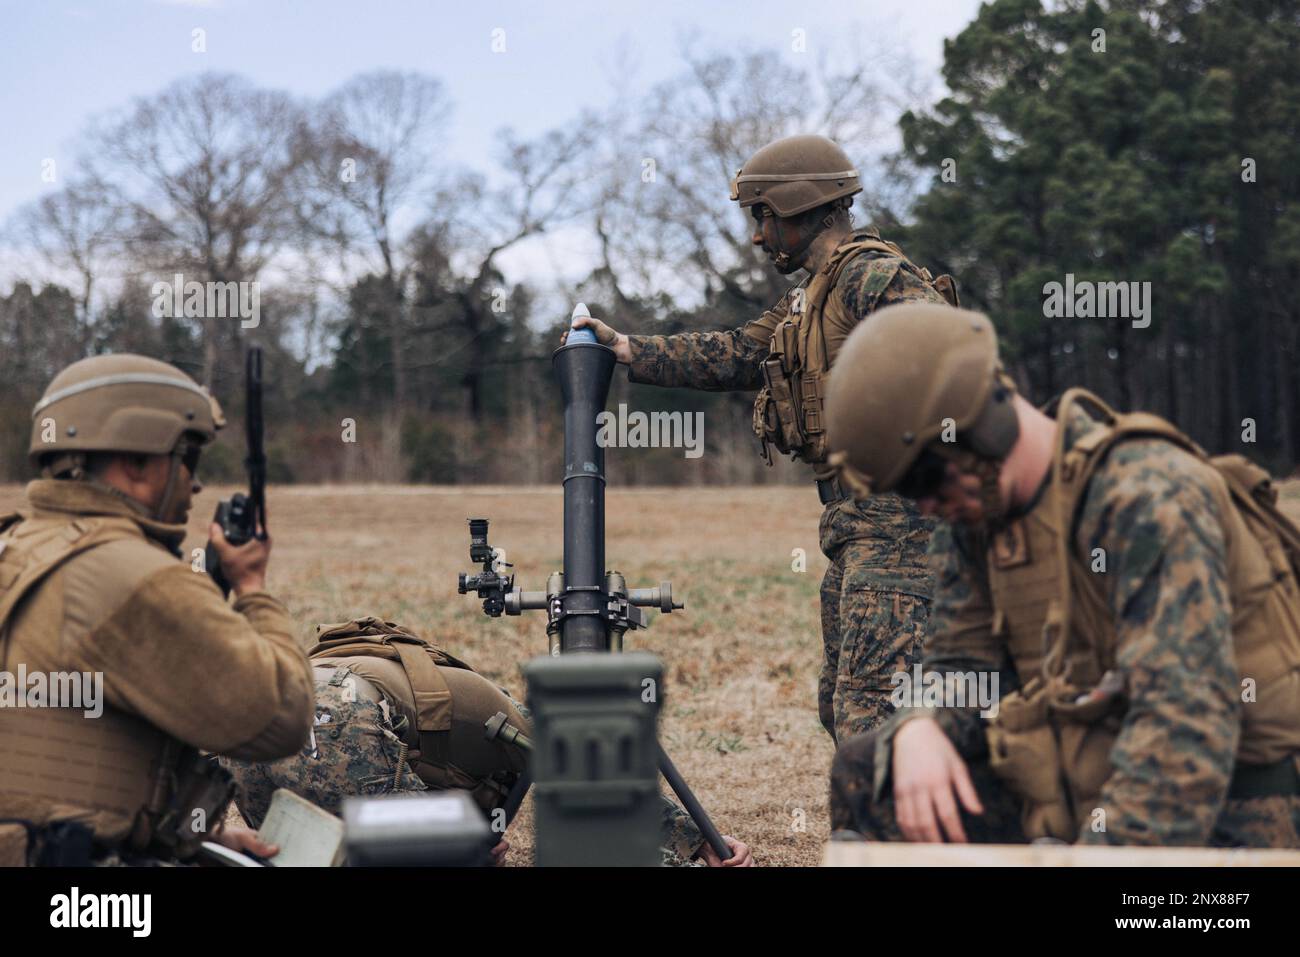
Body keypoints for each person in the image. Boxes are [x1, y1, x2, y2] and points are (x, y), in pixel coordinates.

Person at [823, 302, 1300, 847]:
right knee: (869, 775)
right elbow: (962, 662)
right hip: (1093, 764)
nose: (926, 506)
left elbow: (1184, 732)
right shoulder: (978, 519)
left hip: (1240, 801)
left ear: (986, 425)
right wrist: (921, 722)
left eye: (928, 479)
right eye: (907, 491)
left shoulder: (1145, 495)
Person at [562, 134, 958, 743]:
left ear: (800, 206)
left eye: (763, 216)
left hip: (903, 526)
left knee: (872, 712)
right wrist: (628, 349)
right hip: (857, 526)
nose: (755, 235)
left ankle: (897, 836)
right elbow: (735, 354)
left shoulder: (872, 278)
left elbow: (956, 358)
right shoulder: (810, 297)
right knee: (842, 703)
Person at [0, 354, 315, 866]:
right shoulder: (134, 576)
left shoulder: (17, 543)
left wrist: (189, 837)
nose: (193, 484)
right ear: (139, 462)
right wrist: (253, 588)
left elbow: (64, 758)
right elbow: (281, 717)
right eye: (187, 458)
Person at [221, 617, 753, 866]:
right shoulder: (495, 716)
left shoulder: (429, 700)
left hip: (250, 719)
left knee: (295, 858)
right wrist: (696, 839)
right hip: (340, 717)